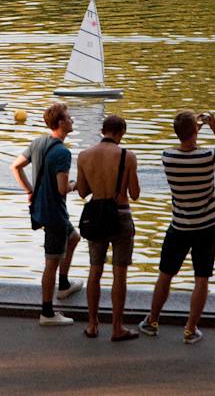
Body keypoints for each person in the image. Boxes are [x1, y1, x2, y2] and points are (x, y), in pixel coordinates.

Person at [139, 110, 215, 344]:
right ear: (195, 132)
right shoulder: (209, 156)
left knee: (165, 274)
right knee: (201, 278)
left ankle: (152, 321)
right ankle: (190, 329)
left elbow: (185, 140)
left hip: (179, 226)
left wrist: (194, 127)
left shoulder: (167, 157)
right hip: (207, 226)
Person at [11, 102, 83, 326]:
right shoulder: (62, 152)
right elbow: (63, 189)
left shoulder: (38, 142)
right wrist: (77, 184)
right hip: (55, 214)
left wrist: (29, 190)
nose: (72, 120)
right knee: (51, 262)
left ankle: (63, 286)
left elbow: (15, 166)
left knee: (73, 238)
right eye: (69, 118)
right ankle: (47, 313)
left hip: (42, 209)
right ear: (61, 123)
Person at [76, 115, 140, 341]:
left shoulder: (84, 156)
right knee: (119, 273)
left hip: (95, 218)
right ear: (121, 132)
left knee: (95, 271)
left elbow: (83, 192)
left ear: (102, 130)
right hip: (120, 216)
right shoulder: (128, 156)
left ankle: (92, 325)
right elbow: (134, 194)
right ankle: (117, 328)